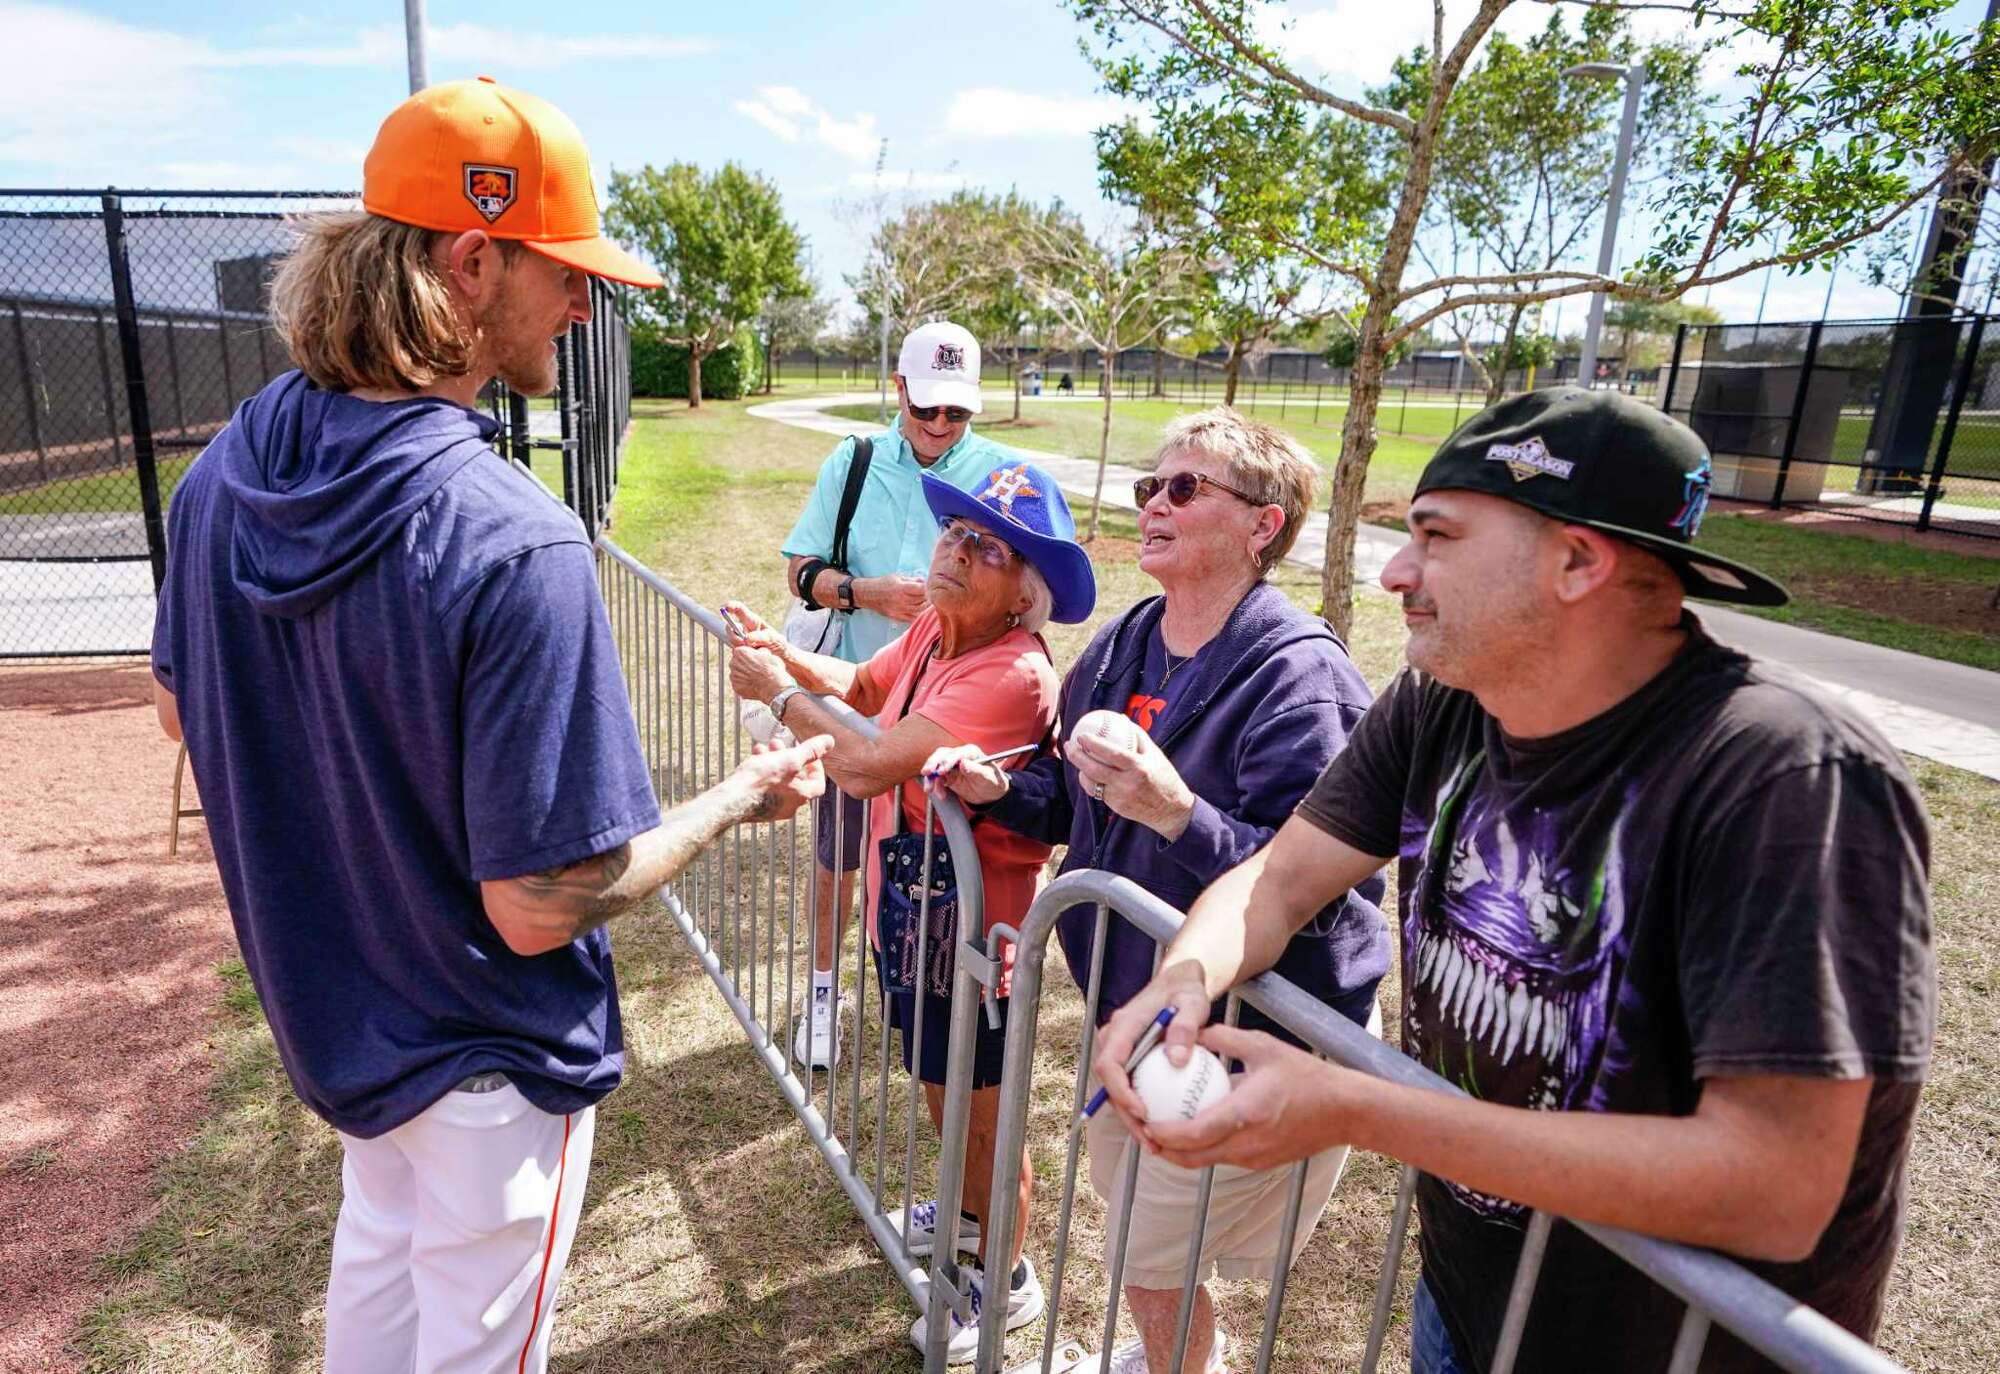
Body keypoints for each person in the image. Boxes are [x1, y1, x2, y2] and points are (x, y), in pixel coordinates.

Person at [148, 79, 832, 1374]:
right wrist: (739, 795)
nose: (586, 305)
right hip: (486, 1063)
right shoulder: (511, 538)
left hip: (339, 1021)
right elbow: (539, 900)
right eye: (565, 273)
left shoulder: (225, 470)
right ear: (470, 263)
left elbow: (182, 701)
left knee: (376, 1287)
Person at [1092, 388, 1935, 1373]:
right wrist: (1183, 977)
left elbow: (1775, 1183)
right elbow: (1276, 882)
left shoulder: (1784, 780)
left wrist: (1359, 1107)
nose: (1396, 573)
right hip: (1466, 1300)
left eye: (1435, 536)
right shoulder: (1440, 701)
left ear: (1578, 560)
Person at [923, 410, 1390, 1374]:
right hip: (1144, 1007)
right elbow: (1070, 795)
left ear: (1263, 526)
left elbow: (1318, 892)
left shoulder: (1301, 678)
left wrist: (1176, 813)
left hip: (1247, 1032)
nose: (1153, 504)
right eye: (1151, 485)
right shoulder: (1131, 638)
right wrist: (1005, 786)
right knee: (1148, 1237)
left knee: (1146, 1250)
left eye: (1186, 488)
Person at [727, 459, 1096, 1364]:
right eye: (956, 533)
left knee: (981, 1108)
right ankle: (968, 1218)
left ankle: (1004, 1283)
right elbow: (859, 692)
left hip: (980, 932)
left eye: (990, 548)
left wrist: (774, 699)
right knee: (941, 1087)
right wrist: (785, 658)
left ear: (1024, 597)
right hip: (918, 901)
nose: (958, 553)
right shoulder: (936, 627)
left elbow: (864, 760)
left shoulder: (1011, 671)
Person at [780, 320, 1021, 1072]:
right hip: (859, 700)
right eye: (928, 410)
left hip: (948, 715)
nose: (942, 426)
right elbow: (799, 570)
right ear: (899, 391)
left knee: (934, 874)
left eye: (958, 413)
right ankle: (822, 997)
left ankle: (919, 998)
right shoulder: (852, 462)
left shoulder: (997, 473)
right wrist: (860, 593)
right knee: (838, 858)